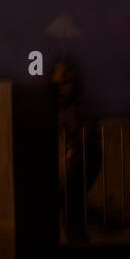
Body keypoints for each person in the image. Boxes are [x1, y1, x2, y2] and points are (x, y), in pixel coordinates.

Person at [53, 56, 100, 242]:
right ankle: (84, 233)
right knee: (70, 200)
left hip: (87, 155)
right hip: (79, 155)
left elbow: (86, 131)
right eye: (63, 81)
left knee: (71, 200)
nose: (67, 85)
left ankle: (82, 234)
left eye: (70, 81)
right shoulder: (61, 104)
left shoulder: (80, 103)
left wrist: (74, 150)